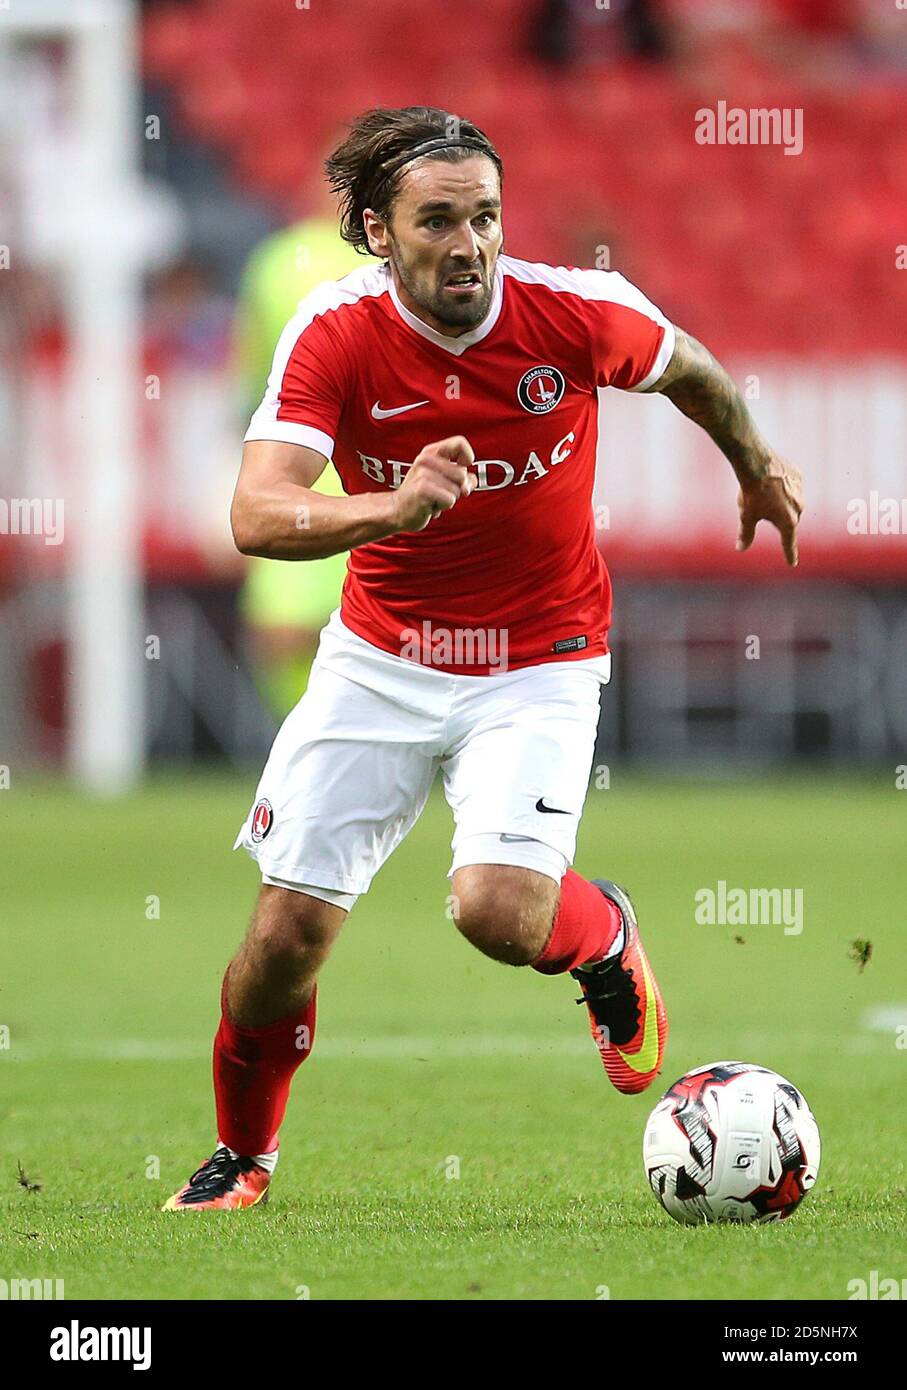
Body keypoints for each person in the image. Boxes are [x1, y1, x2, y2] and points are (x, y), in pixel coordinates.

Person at [164, 105, 803, 1211]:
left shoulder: (575, 311)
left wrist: (752, 464)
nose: (470, 245)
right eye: (438, 221)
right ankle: (243, 1157)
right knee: (283, 939)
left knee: (497, 912)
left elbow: (690, 369)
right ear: (378, 231)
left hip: (538, 658)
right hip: (380, 658)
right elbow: (256, 513)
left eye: (486, 217)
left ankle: (603, 935)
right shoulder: (335, 330)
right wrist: (390, 506)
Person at [233, 214, 363, 716]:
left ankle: (339, 733)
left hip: (348, 468)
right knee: (285, 632)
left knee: (311, 630)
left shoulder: (279, 260)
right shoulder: (278, 259)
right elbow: (251, 377)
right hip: (313, 466)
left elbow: (247, 380)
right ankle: (321, 730)